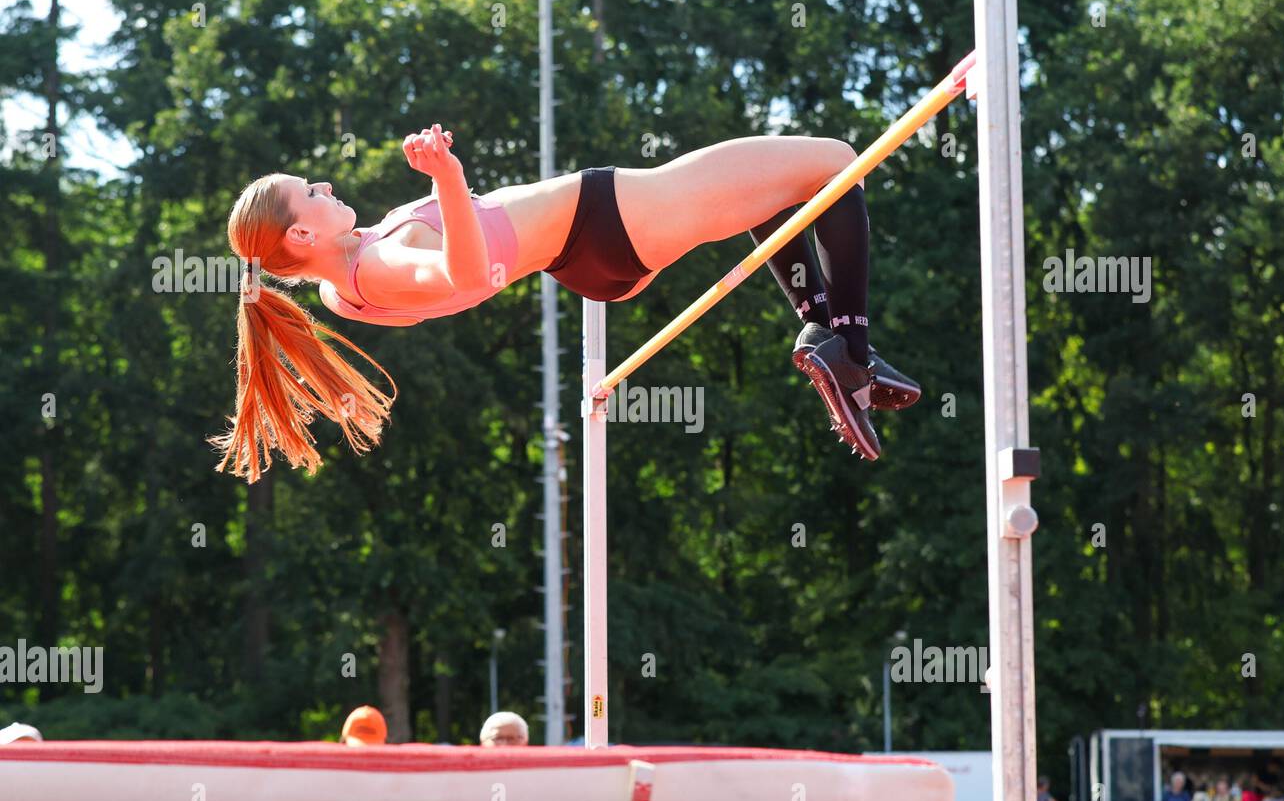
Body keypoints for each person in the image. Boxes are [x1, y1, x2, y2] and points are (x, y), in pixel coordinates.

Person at [214, 127, 922, 482]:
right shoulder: (372, 266)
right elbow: (468, 273)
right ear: (301, 233)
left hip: (588, 256)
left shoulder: (348, 284)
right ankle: (849, 354)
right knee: (835, 162)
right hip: (607, 217)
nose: (329, 188)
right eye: (313, 193)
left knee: (782, 192)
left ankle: (824, 333)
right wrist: (451, 179)